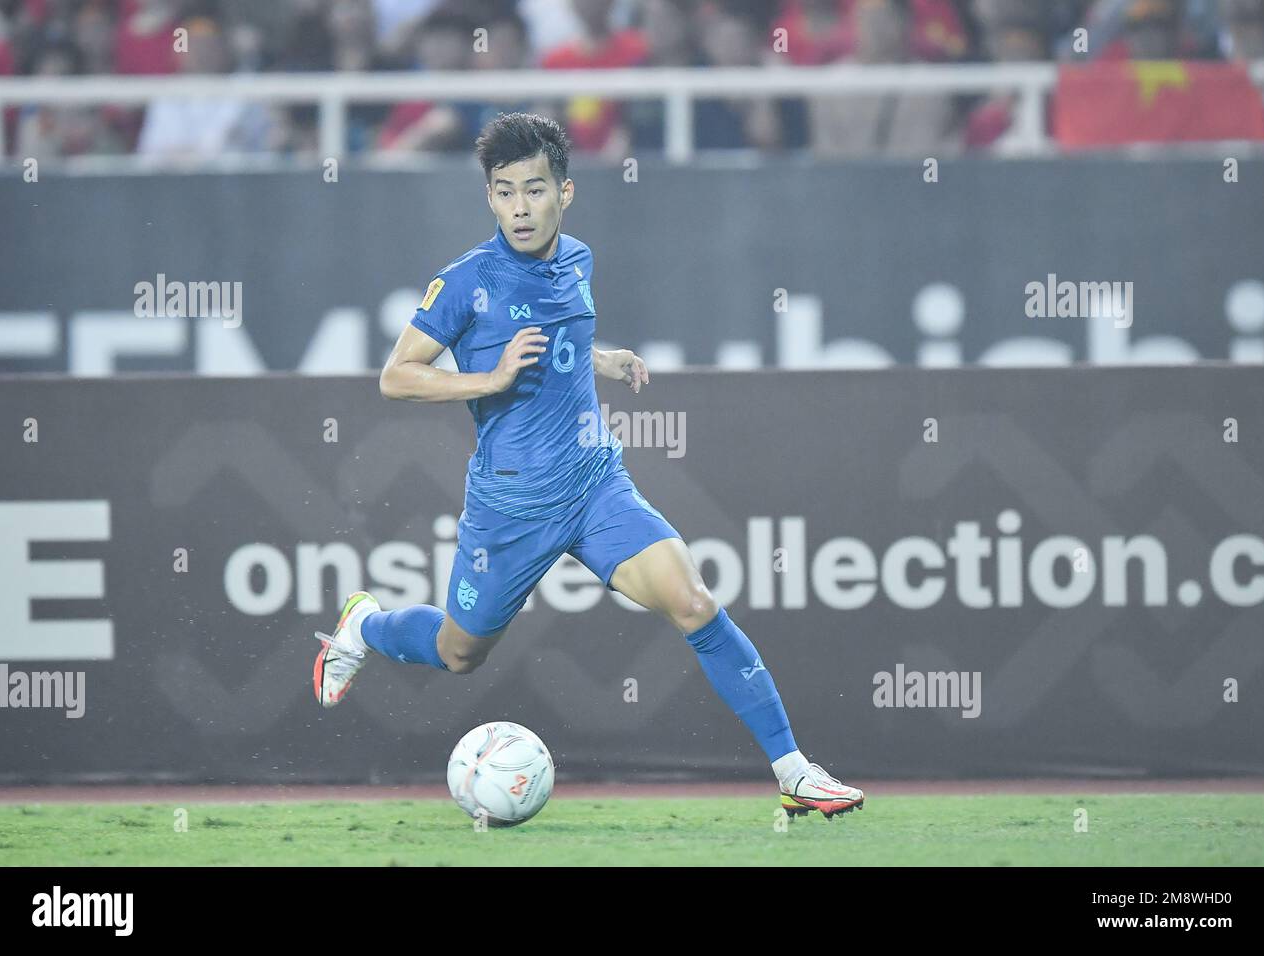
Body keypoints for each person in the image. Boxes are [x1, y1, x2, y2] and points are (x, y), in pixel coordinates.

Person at [313, 112, 864, 820]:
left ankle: (794, 771)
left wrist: (603, 357)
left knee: (693, 602)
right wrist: (489, 380)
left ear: (564, 193)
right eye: (505, 191)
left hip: (595, 484)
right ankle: (363, 627)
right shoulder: (464, 281)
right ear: (489, 198)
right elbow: (397, 376)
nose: (520, 207)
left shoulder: (578, 259)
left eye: (534, 190)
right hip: (509, 505)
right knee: (458, 653)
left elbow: (561, 336)